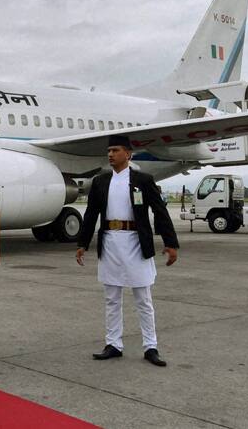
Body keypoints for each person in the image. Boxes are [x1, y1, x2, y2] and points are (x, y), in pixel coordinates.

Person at [76, 135, 179, 366]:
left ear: (128, 154)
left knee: (143, 297)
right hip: (110, 241)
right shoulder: (101, 181)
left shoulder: (143, 180)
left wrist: (170, 243)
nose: (111, 154)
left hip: (135, 241)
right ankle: (113, 343)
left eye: (116, 150)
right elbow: (91, 214)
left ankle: (150, 346)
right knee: (111, 297)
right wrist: (82, 243)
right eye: (109, 151)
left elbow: (160, 211)